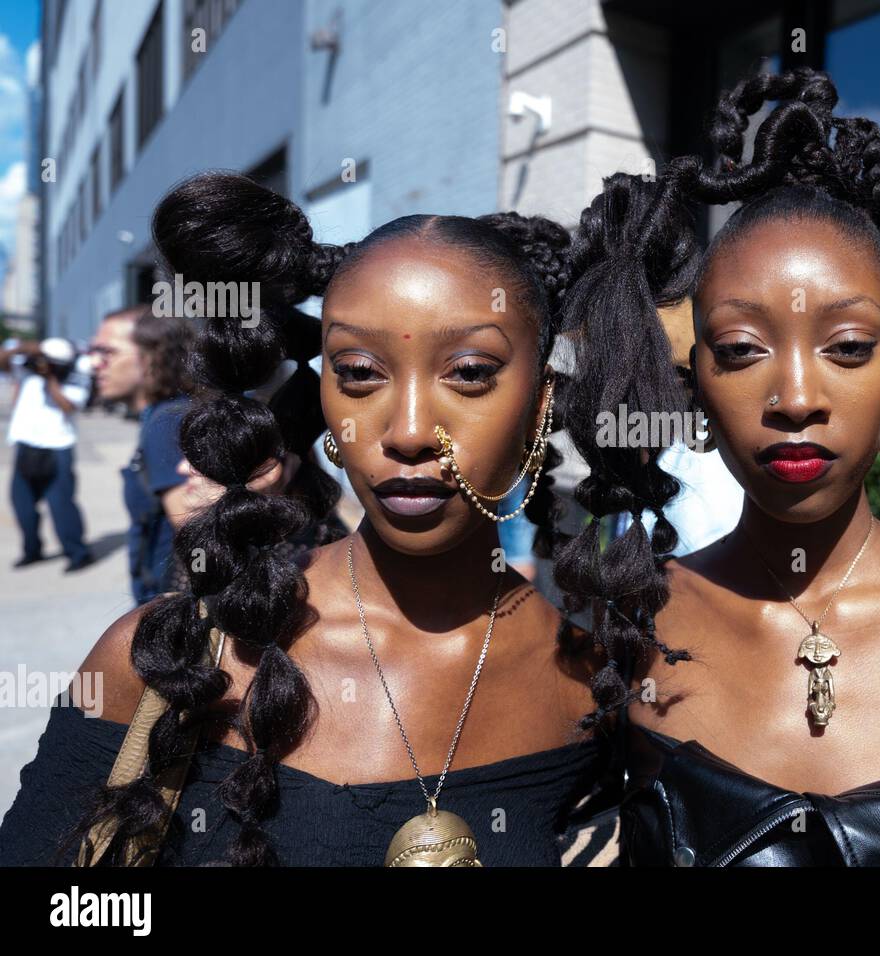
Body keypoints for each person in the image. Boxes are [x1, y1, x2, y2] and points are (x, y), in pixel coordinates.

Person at [0, 172, 607, 866]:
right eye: (359, 371)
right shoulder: (172, 659)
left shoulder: (594, 684)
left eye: (469, 372)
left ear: (540, 402)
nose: (408, 431)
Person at [557, 69, 880, 866]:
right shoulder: (630, 628)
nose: (796, 397)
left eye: (847, 348)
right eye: (740, 351)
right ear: (697, 382)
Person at [88, 306, 195, 604]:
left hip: (166, 606)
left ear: (151, 357)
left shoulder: (166, 423)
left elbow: (196, 536)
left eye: (107, 352)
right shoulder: (162, 414)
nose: (94, 363)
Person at [2, 337, 94, 572]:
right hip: (26, 445)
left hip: (57, 446)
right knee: (21, 504)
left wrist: (49, 377)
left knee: (61, 506)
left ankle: (78, 553)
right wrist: (24, 348)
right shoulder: (27, 367)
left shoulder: (75, 373)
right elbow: (3, 360)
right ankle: (32, 550)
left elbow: (69, 406)